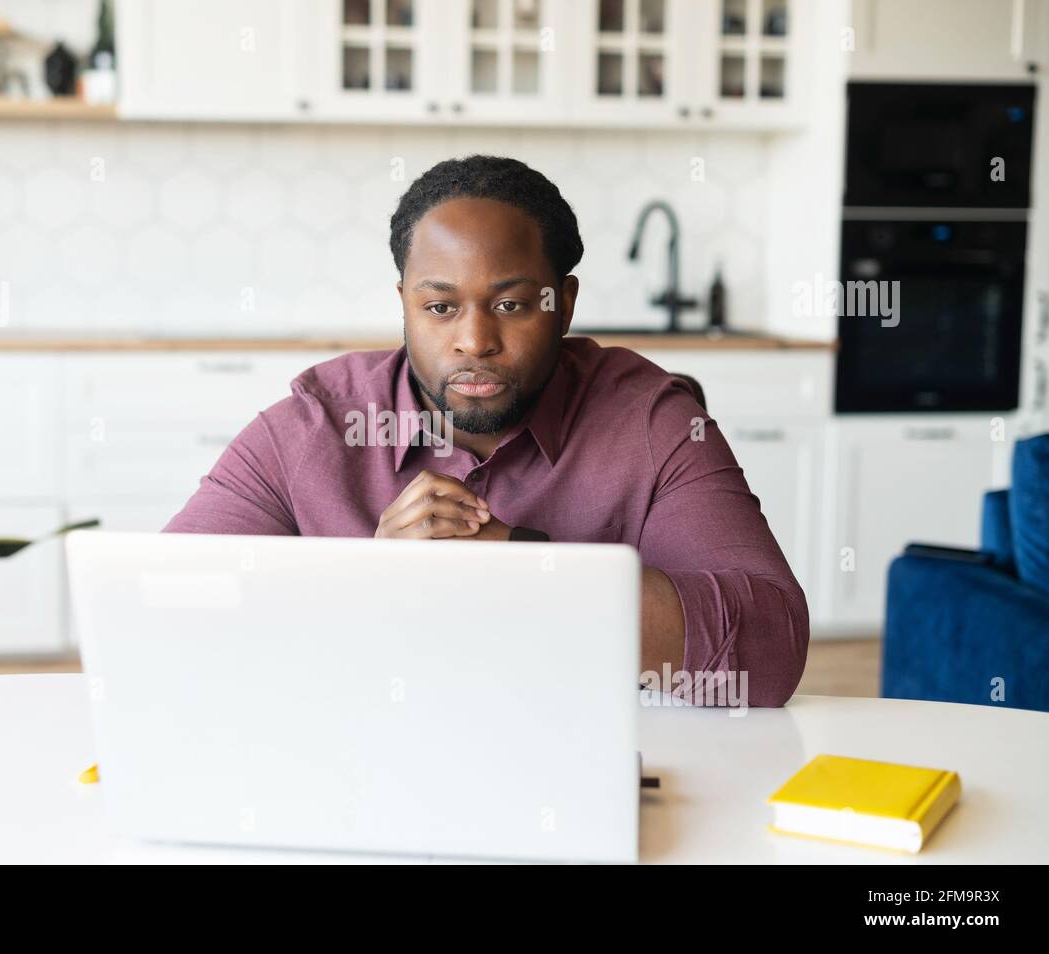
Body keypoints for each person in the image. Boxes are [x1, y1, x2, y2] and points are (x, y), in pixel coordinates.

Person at [164, 155, 808, 707]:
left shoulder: (652, 423)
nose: (475, 341)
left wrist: (524, 571)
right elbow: (168, 611)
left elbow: (771, 646)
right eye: (440, 307)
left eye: (512, 305)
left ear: (565, 304)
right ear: (405, 306)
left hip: (586, 759)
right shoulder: (309, 429)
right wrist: (362, 584)